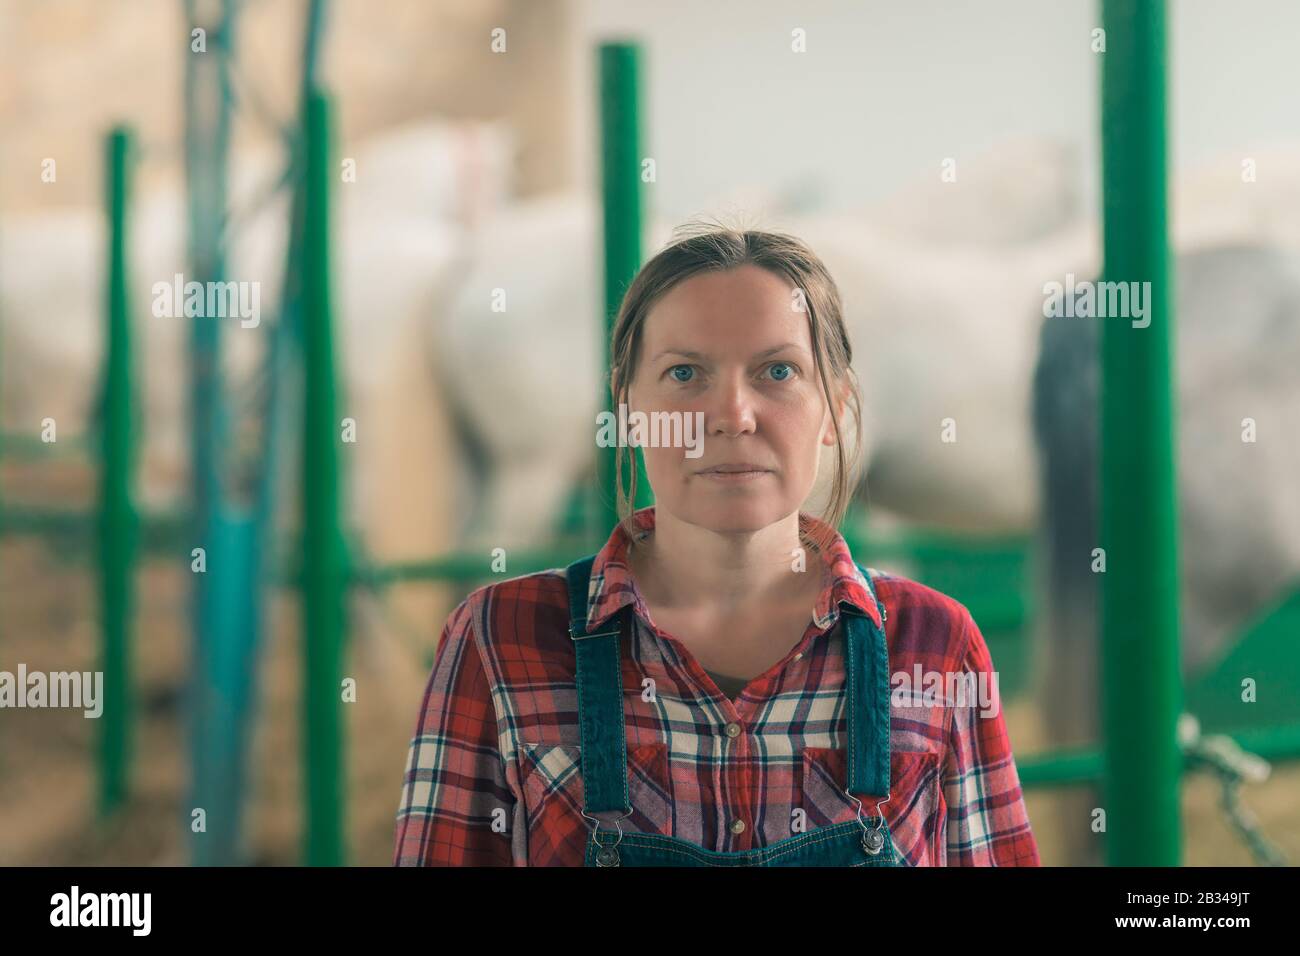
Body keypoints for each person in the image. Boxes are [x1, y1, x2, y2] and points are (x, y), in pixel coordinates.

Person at [394, 222, 1040, 866]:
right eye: (684, 374)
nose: (732, 415)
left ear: (835, 407)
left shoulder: (937, 645)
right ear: (628, 408)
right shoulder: (496, 641)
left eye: (778, 370)